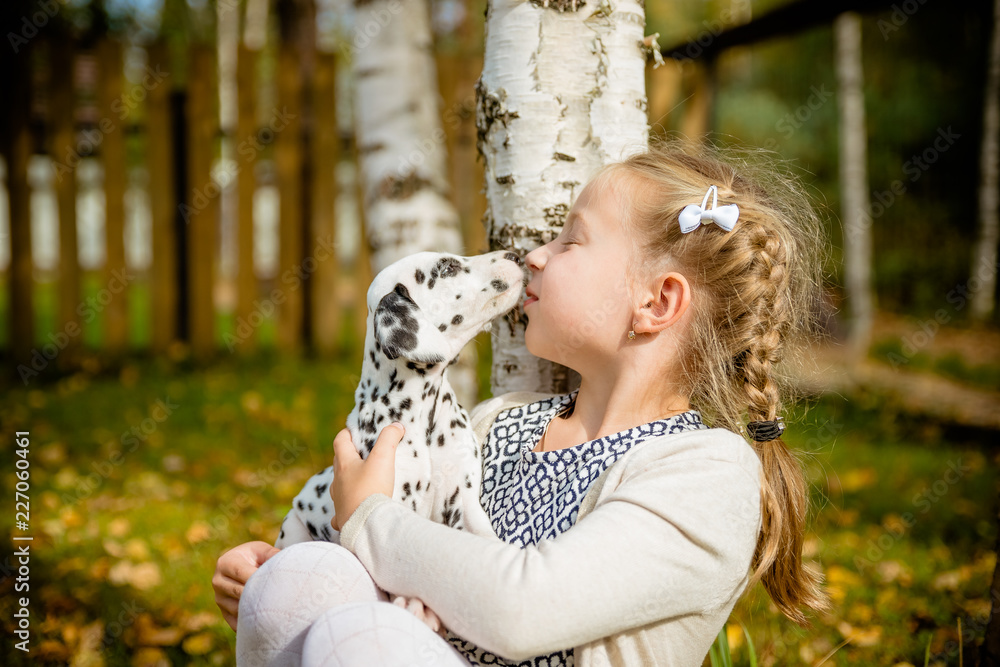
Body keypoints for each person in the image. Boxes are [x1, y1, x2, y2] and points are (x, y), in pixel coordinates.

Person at [213, 135, 833, 666]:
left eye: (570, 241)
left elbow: (524, 609)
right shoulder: (500, 424)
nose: (536, 255)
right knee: (293, 585)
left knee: (357, 636)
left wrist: (368, 518)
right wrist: (277, 575)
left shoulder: (707, 473)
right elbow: (406, 564)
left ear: (657, 303)